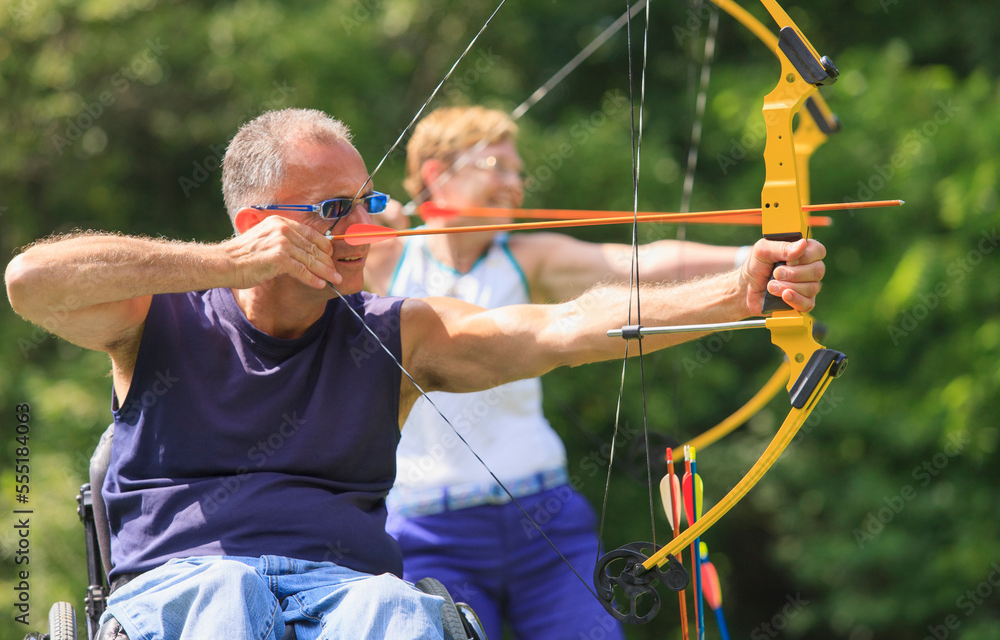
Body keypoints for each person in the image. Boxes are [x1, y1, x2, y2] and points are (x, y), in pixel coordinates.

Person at [4, 107, 825, 640]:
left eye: (369, 200)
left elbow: (565, 328)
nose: (372, 227)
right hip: (187, 590)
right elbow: (28, 282)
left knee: (396, 613)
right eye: (338, 212)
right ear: (258, 226)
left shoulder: (400, 334)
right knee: (227, 602)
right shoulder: (157, 319)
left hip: (346, 594)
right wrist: (220, 262)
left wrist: (741, 288)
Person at [364, 106, 753, 639]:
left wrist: (750, 257)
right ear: (437, 174)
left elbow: (642, 262)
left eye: (518, 171)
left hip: (544, 517)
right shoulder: (384, 261)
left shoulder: (529, 256)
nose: (515, 182)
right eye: (496, 165)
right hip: (428, 531)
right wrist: (357, 229)